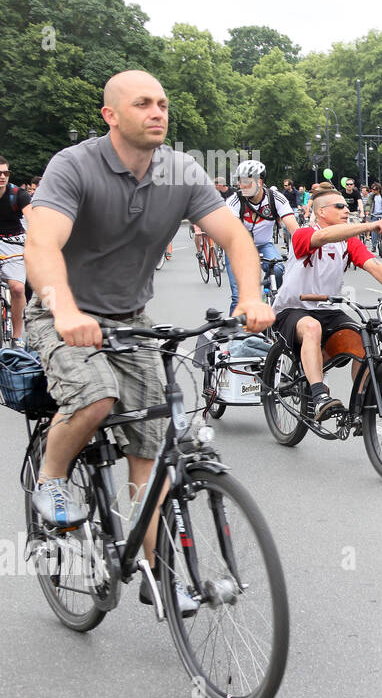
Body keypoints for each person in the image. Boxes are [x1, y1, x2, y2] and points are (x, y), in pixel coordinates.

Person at [24, 69, 273, 613]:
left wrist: (250, 297)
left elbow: (233, 236)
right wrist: (65, 308)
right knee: (95, 398)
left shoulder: (181, 171)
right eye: (142, 104)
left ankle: (158, 573)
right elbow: (42, 243)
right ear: (111, 115)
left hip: (130, 318)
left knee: (150, 448)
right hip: (61, 312)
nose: (157, 112)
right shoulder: (74, 166)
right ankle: (52, 477)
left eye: (162, 103)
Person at [273, 187, 382, 421]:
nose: (346, 210)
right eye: (339, 206)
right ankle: (319, 395)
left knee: (364, 340)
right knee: (312, 327)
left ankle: (362, 406)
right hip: (293, 309)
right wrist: (370, 225)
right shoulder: (303, 234)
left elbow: (374, 265)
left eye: (346, 206)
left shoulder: (347, 242)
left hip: (328, 309)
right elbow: (324, 237)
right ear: (321, 212)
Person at [225, 159, 299, 313]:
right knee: (239, 297)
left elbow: (295, 229)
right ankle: (236, 335)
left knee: (278, 269)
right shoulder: (234, 200)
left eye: (245, 181)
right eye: (239, 181)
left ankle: (268, 299)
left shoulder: (275, 198)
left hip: (264, 245)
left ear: (259, 181)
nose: (240, 185)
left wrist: (302, 251)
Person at [0, 155, 30, 345]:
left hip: (14, 243)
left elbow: (33, 220)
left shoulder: (18, 195)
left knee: (18, 288)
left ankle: (17, 337)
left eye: (5, 172)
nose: (2, 176)